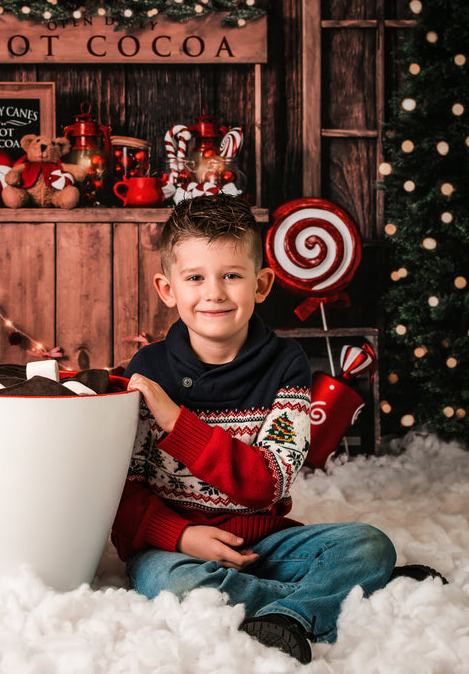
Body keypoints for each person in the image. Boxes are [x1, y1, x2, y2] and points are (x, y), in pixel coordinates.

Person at [111, 195, 397, 664]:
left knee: (369, 546)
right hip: (176, 546)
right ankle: (306, 601)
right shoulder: (146, 370)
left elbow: (267, 483)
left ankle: (285, 615)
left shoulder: (286, 367)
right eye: (195, 277)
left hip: (262, 540)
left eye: (232, 275)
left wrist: (177, 423)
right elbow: (118, 492)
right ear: (168, 289)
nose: (215, 293)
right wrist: (182, 537)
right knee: (177, 585)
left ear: (261, 284)